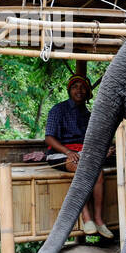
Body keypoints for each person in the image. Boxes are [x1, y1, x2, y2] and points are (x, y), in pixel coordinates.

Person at [45, 73, 113, 239]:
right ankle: (86, 216)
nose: (79, 90)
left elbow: (94, 140)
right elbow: (49, 138)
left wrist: (103, 150)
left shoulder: (89, 115)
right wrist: (68, 152)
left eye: (83, 87)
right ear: (69, 90)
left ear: (88, 92)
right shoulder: (58, 110)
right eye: (75, 86)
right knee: (83, 169)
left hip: (84, 154)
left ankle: (98, 219)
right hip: (60, 153)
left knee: (98, 173)